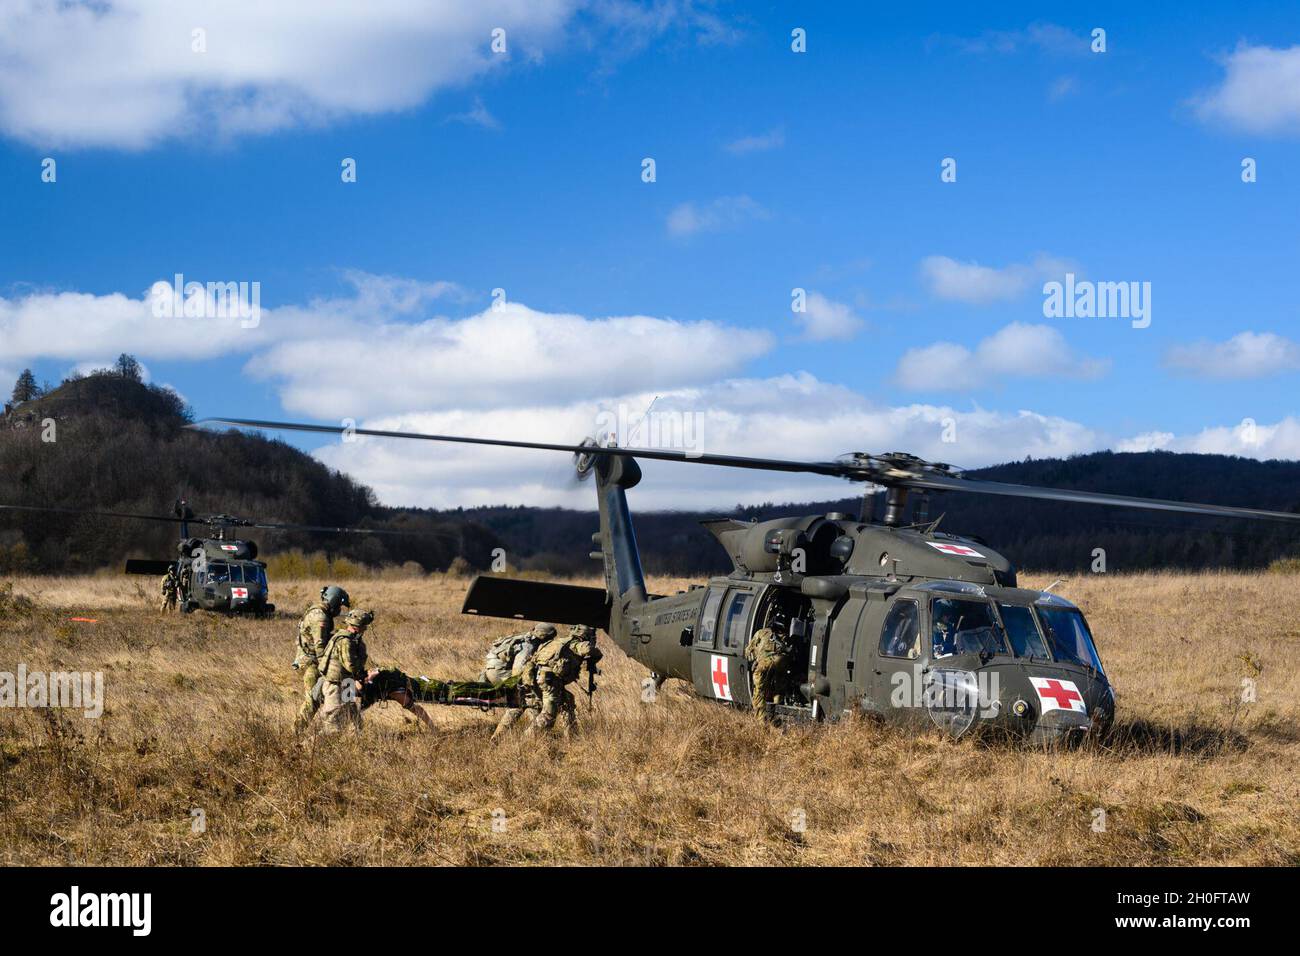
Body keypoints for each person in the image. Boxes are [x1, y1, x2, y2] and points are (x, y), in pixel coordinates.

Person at [515, 623, 602, 737]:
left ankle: (572, 736)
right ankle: (526, 740)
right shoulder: (577, 644)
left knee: (568, 701)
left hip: (540, 678)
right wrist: (596, 654)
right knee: (549, 715)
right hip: (550, 681)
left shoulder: (559, 641)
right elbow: (588, 649)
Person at [293, 585, 350, 732]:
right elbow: (320, 646)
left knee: (318, 698)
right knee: (313, 699)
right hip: (312, 663)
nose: (339, 610)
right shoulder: (320, 616)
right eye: (339, 605)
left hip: (312, 660)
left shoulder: (320, 611)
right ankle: (297, 732)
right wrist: (326, 668)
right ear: (334, 601)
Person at [318, 607, 373, 734]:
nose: (365, 629)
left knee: (355, 721)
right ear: (358, 626)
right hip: (335, 685)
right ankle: (304, 748)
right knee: (332, 726)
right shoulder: (346, 641)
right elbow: (351, 666)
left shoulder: (352, 639)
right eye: (364, 626)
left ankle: (355, 749)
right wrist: (366, 673)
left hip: (346, 682)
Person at [746, 618, 792, 723]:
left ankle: (761, 720)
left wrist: (755, 659)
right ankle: (776, 714)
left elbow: (748, 651)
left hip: (763, 665)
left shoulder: (761, 633)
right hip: (780, 662)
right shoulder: (785, 636)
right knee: (779, 690)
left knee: (759, 692)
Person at [479, 623, 555, 684]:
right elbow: (518, 670)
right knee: (535, 677)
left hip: (487, 672)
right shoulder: (528, 645)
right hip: (499, 674)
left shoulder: (521, 637)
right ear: (545, 636)